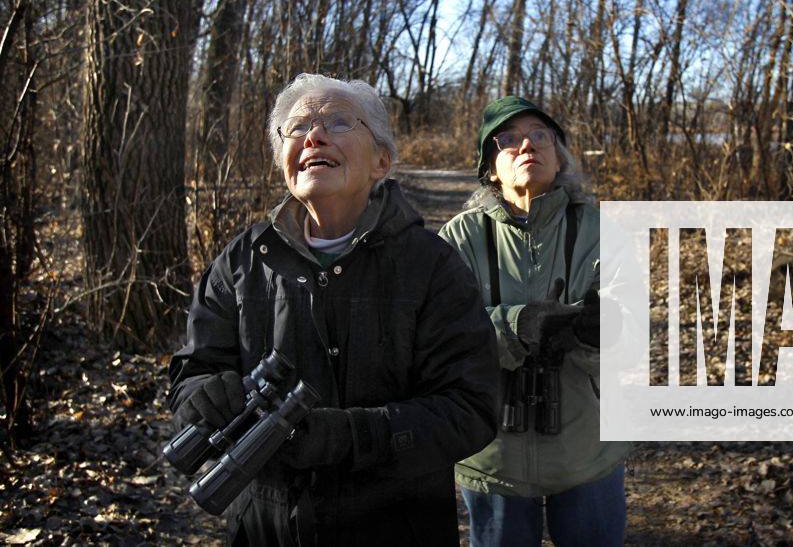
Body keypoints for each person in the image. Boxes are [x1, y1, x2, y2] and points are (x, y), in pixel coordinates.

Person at [167, 74, 500, 545]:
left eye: (339, 122)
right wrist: (201, 397)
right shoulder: (242, 260)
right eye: (297, 127)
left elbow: (472, 408)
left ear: (382, 162)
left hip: (399, 528)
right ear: (283, 160)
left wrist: (352, 435)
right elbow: (192, 372)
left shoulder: (432, 266)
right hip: (266, 530)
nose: (314, 136)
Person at [439, 96, 630, 546]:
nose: (527, 145)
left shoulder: (602, 230)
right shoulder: (459, 238)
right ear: (490, 168)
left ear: (559, 158)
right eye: (508, 139)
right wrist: (517, 325)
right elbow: (441, 337)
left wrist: (599, 332)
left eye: (539, 136)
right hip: (492, 457)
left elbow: (633, 333)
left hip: (589, 449)